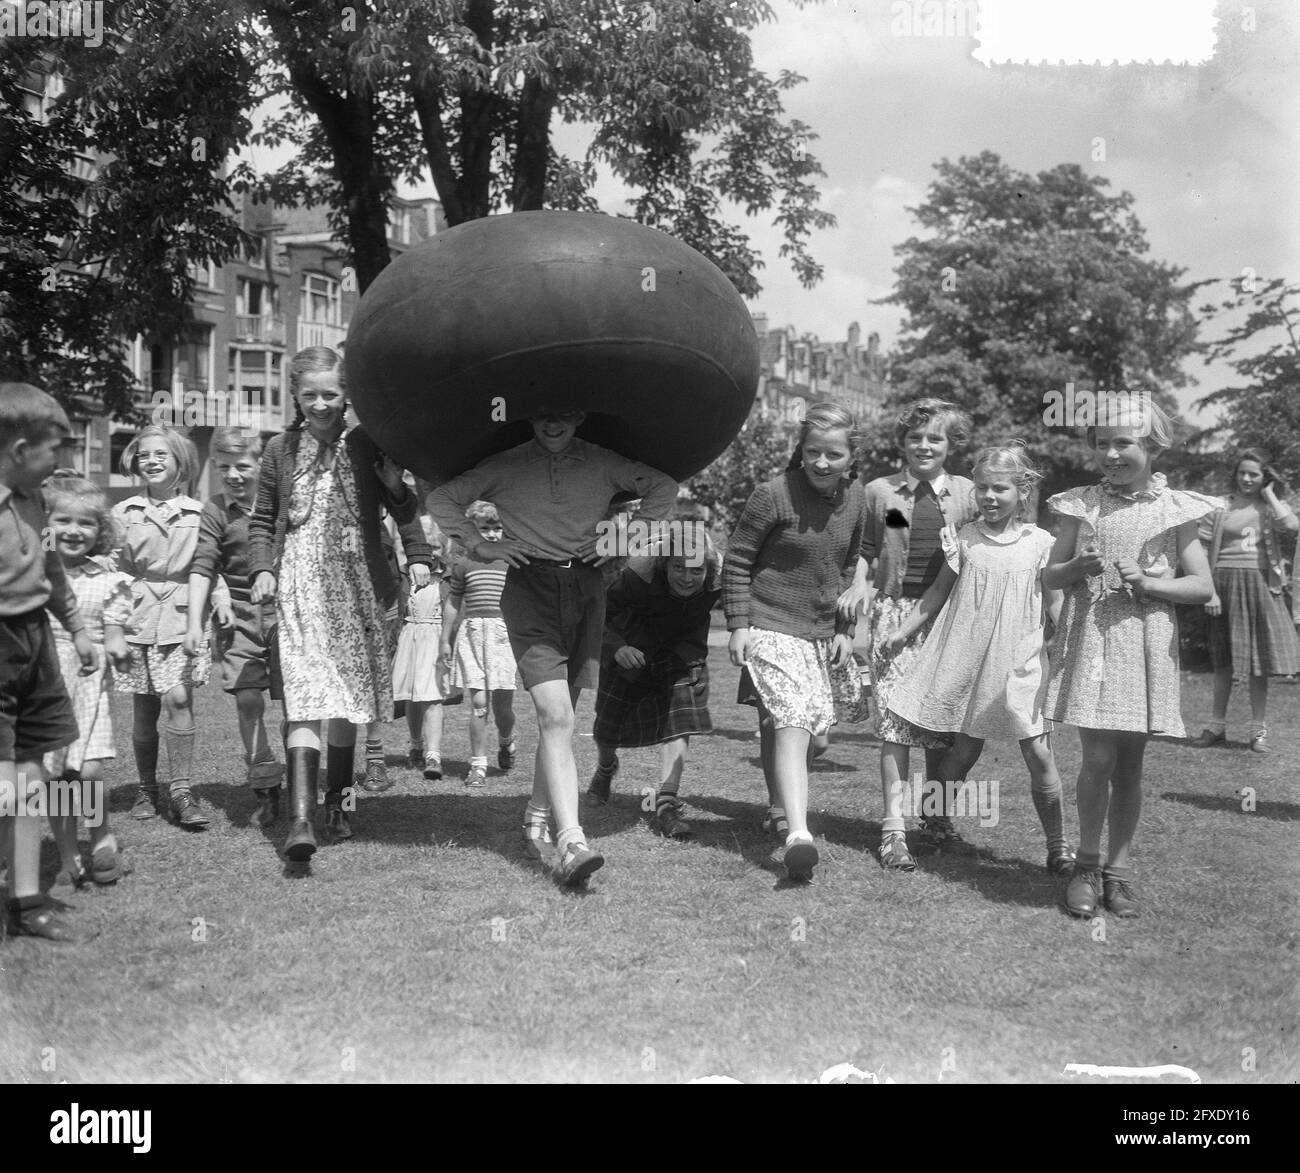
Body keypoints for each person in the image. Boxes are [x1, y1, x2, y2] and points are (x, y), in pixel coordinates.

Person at [427, 406, 678, 886]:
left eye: (564, 414)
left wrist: (622, 535)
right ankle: (572, 841)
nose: (553, 423)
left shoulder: (605, 461)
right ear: (528, 417)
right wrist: (482, 545)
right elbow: (442, 499)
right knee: (556, 716)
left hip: (586, 590)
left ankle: (536, 820)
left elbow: (663, 488)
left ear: (581, 416)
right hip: (528, 590)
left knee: (560, 722)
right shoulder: (505, 465)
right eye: (543, 414)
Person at [248, 347, 430, 862]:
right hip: (300, 585)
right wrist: (263, 567)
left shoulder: (368, 443)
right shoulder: (279, 450)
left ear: (347, 394)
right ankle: (301, 820)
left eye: (331, 393)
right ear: (295, 396)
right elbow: (263, 521)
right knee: (304, 696)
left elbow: (405, 507)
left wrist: (416, 551)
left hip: (356, 584)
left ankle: (339, 804)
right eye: (310, 395)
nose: (321, 404)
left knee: (347, 701)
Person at [1043, 394, 1219, 919]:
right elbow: (1049, 575)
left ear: (1153, 447)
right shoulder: (1081, 504)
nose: (1111, 454)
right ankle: (1086, 866)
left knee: (1131, 765)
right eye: (1103, 444)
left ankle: (1118, 872)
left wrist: (1153, 583)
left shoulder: (1175, 510)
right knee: (1097, 759)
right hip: (1093, 638)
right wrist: (1078, 566)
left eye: (1124, 443)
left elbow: (1202, 586)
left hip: (1145, 643)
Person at [883, 442, 1075, 874]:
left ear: (1023, 491)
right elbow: (935, 595)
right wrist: (902, 631)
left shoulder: (1042, 544)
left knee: (1039, 754)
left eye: (1000, 489)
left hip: (1022, 666)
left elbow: (1056, 604)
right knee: (962, 754)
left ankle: (1058, 846)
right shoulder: (963, 540)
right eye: (983, 488)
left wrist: (1067, 645)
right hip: (968, 660)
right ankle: (935, 817)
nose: (989, 497)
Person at [723, 402, 866, 883]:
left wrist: (845, 630)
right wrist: (739, 624)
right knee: (789, 720)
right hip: (769, 622)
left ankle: (781, 806)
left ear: (851, 456)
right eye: (813, 453)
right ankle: (798, 836)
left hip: (819, 632)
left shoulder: (858, 498)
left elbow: (848, 565)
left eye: (833, 455)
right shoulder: (773, 495)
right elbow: (738, 560)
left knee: (816, 736)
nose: (822, 463)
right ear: (800, 450)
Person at [839, 398, 978, 871]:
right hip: (893, 615)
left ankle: (936, 821)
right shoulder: (879, 491)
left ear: (950, 445)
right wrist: (860, 583)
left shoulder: (968, 493)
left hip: (950, 620)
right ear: (901, 442)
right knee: (897, 725)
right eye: (915, 437)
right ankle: (893, 831)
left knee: (942, 726)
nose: (924, 446)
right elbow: (865, 548)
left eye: (934, 438)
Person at [0, 382, 95, 942]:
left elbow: (53, 575)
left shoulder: (37, 500)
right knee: (6, 778)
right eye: (53, 449)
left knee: (34, 771)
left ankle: (28, 900)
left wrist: (79, 630)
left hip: (36, 639)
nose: (61, 460)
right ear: (18, 450)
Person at [587, 532, 722, 839]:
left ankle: (665, 804)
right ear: (665, 564)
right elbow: (598, 616)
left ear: (709, 570)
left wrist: (694, 657)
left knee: (681, 721)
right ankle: (605, 769)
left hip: (678, 655)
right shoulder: (636, 580)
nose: (687, 578)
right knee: (607, 729)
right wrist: (616, 648)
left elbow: (716, 612)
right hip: (629, 652)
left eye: (696, 570)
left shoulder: (716, 584)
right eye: (679, 568)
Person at [112, 423, 212, 829]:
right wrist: (113, 624)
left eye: (160, 455)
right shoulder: (122, 513)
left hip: (183, 618)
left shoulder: (200, 514)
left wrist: (214, 606)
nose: (150, 462)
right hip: (137, 618)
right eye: (143, 455)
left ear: (181, 463)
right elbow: (111, 570)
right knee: (143, 709)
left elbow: (209, 568)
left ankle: (182, 791)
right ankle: (146, 788)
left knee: (180, 699)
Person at [42, 472, 134, 888]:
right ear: (45, 523)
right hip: (42, 688)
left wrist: (117, 645)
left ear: (100, 531)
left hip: (88, 685)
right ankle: (66, 858)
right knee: (56, 776)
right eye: (63, 521)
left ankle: (100, 837)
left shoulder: (108, 580)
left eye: (85, 523)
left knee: (90, 773)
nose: (74, 531)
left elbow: (113, 629)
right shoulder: (34, 577)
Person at [186, 427, 283, 826]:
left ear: (261, 463)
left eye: (242, 465)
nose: (233, 475)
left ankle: (302, 781)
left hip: (286, 613)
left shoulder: (279, 504)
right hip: (238, 618)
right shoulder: (214, 510)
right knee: (248, 701)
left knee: (295, 706)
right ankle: (265, 786)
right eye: (223, 467)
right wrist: (197, 619)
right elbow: (205, 564)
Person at [1189, 449, 1299, 753]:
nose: (1247, 478)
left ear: (1265, 477)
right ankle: (1216, 726)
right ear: (1235, 474)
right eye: (1242, 473)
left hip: (1261, 583)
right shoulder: (1220, 506)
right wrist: (1208, 591)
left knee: (1259, 664)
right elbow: (1199, 549)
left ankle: (1257, 731)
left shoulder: (1270, 507)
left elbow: (1291, 526)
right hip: (1222, 582)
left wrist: (1270, 495)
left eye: (1254, 474)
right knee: (1222, 659)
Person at [440, 500, 517, 788]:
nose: (493, 534)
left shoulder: (512, 563)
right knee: (479, 703)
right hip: (472, 632)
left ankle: (507, 741)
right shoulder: (464, 564)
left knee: (503, 707)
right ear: (474, 529)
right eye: (486, 528)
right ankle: (478, 765)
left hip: (502, 634)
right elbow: (453, 602)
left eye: (498, 528)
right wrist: (444, 639)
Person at [393, 515, 458, 780]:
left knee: (432, 697)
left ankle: (434, 755)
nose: (429, 554)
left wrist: (449, 643)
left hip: (435, 638)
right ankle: (415, 744)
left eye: (434, 547)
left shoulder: (447, 577)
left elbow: (455, 613)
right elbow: (395, 610)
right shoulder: (403, 575)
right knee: (412, 695)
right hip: (410, 637)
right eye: (424, 547)